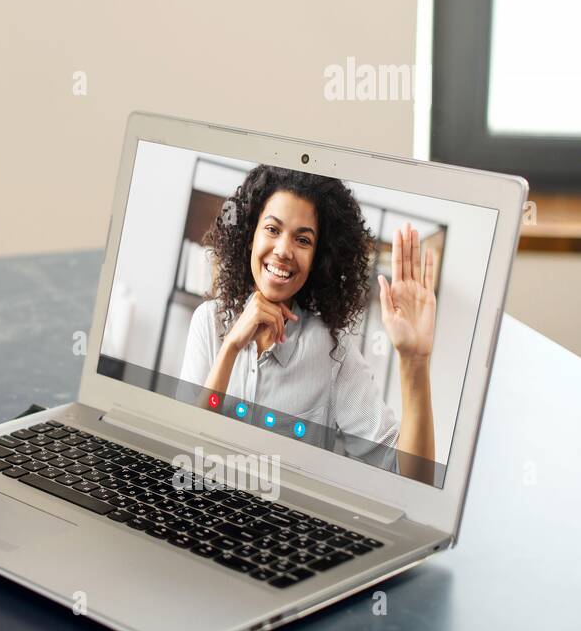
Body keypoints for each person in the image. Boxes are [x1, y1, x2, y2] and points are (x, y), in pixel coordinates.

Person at [179, 165, 437, 475]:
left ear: (318, 259)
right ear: (250, 235)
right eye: (272, 229)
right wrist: (232, 345)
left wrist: (414, 360)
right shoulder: (210, 321)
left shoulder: (332, 352)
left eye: (303, 241)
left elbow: (409, 477)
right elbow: (184, 450)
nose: (284, 251)